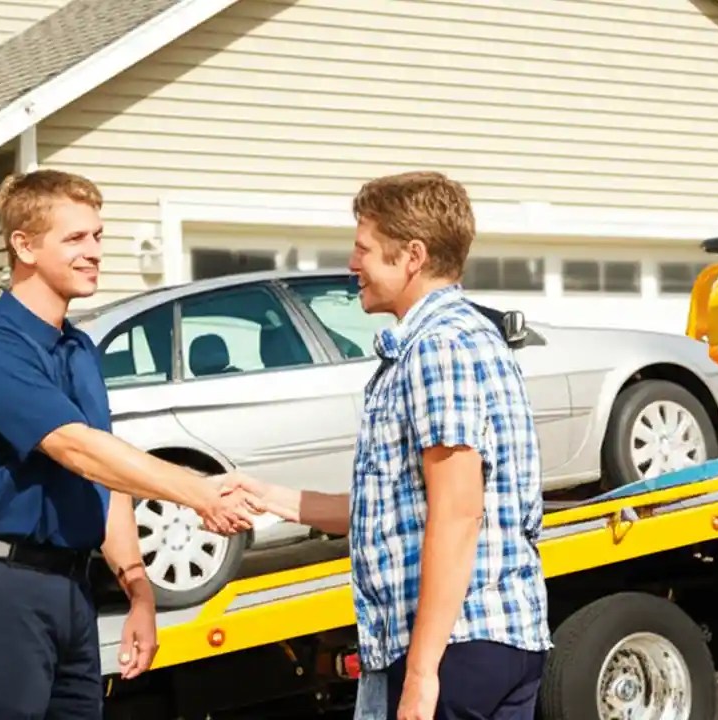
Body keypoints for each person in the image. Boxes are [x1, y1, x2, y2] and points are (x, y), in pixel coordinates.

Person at [222, 171, 552, 720]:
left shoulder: (437, 348)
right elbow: (390, 513)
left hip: (455, 648)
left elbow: (457, 512)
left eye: (364, 250)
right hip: (483, 641)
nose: (353, 266)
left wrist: (422, 674)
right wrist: (267, 497)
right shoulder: (462, 338)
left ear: (412, 257)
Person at [0, 169, 261, 719]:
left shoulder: (79, 349)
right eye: (75, 238)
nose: (93, 252)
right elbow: (76, 448)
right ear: (24, 245)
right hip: (0, 588)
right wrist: (198, 493)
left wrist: (138, 589)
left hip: (71, 590)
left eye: (97, 236)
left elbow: (104, 473)